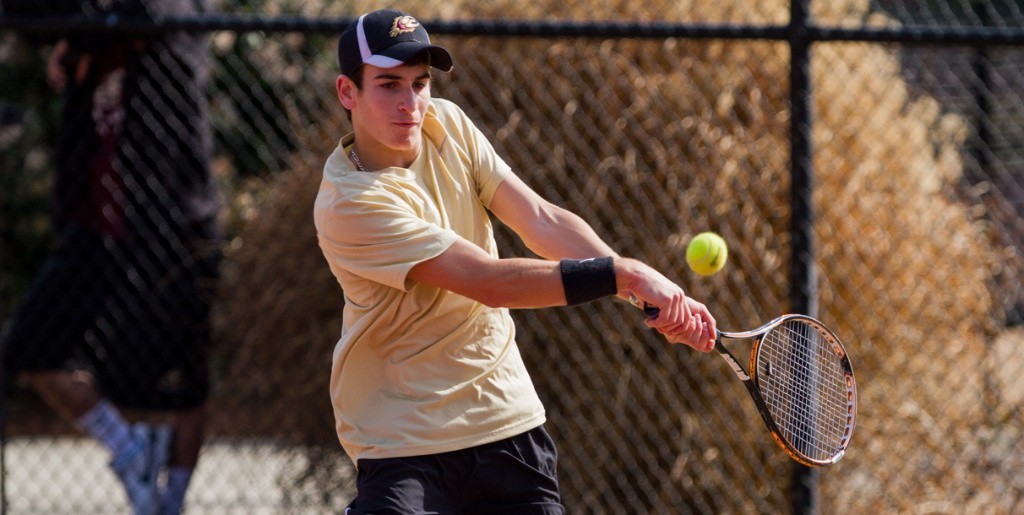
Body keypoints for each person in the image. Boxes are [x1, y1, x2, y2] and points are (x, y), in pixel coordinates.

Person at [314, 8, 717, 514]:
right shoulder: (350, 202)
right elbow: (489, 283)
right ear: (347, 92)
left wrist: (643, 292)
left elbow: (541, 220)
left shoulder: (447, 125)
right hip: (403, 439)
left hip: (505, 420)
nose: (410, 104)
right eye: (389, 85)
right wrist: (625, 274)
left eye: (420, 84)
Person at [0, 1, 220, 514]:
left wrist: (79, 38)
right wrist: (75, 39)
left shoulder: (172, 23)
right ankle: (131, 452)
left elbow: (153, 10)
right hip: (99, 234)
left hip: (175, 227)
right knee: (27, 350)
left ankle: (168, 504)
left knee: (184, 385)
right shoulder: (90, 33)